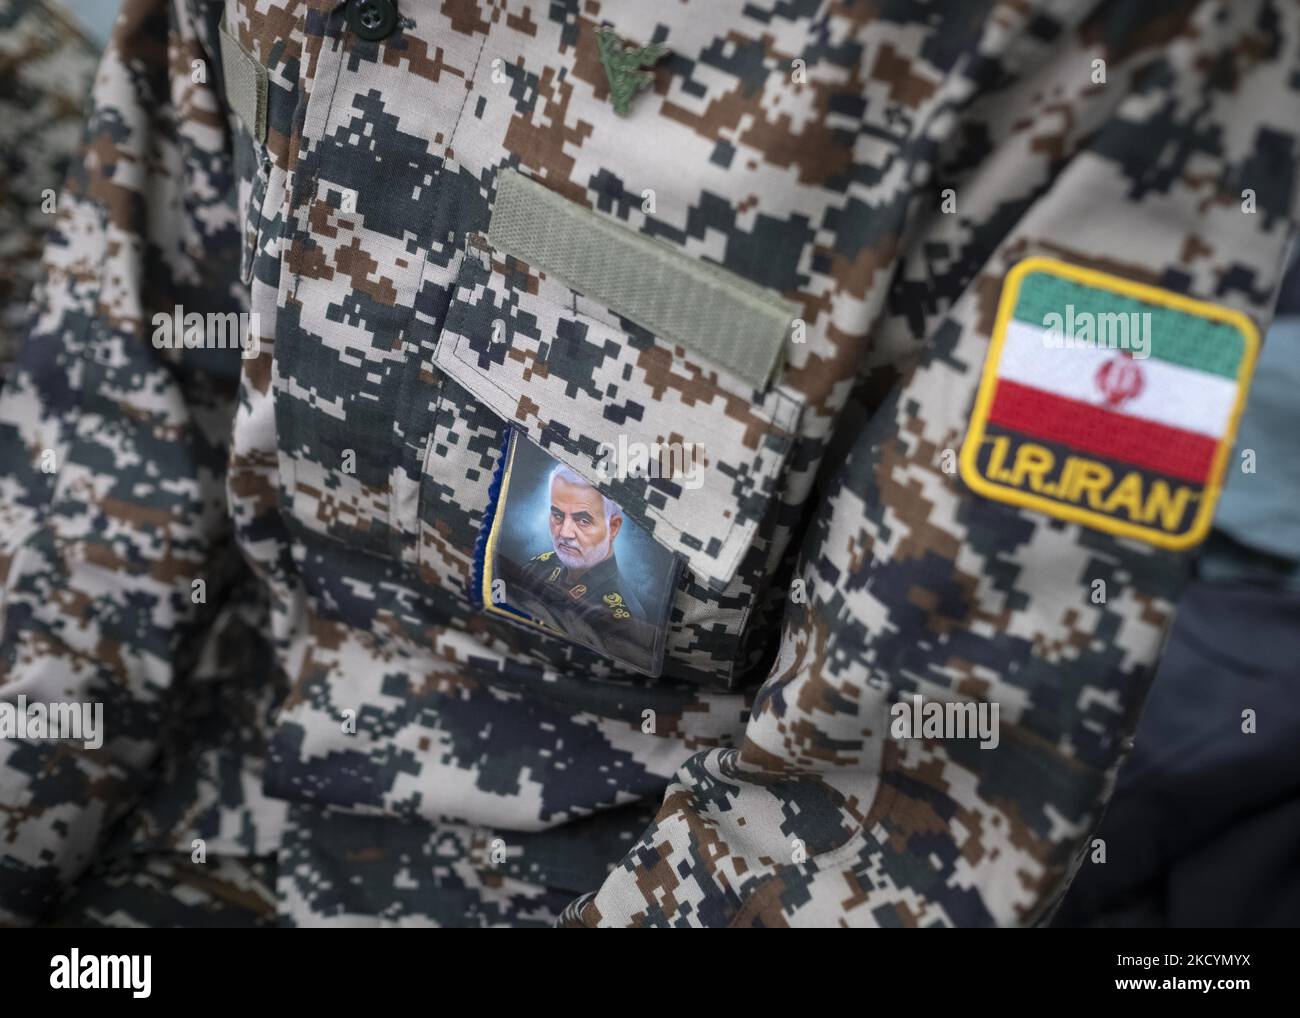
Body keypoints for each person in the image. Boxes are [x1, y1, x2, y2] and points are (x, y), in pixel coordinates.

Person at [2, 0, 1299, 928]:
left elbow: (920, 790)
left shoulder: (1160, 44)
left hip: (642, 853)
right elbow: (106, 443)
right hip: (180, 760)